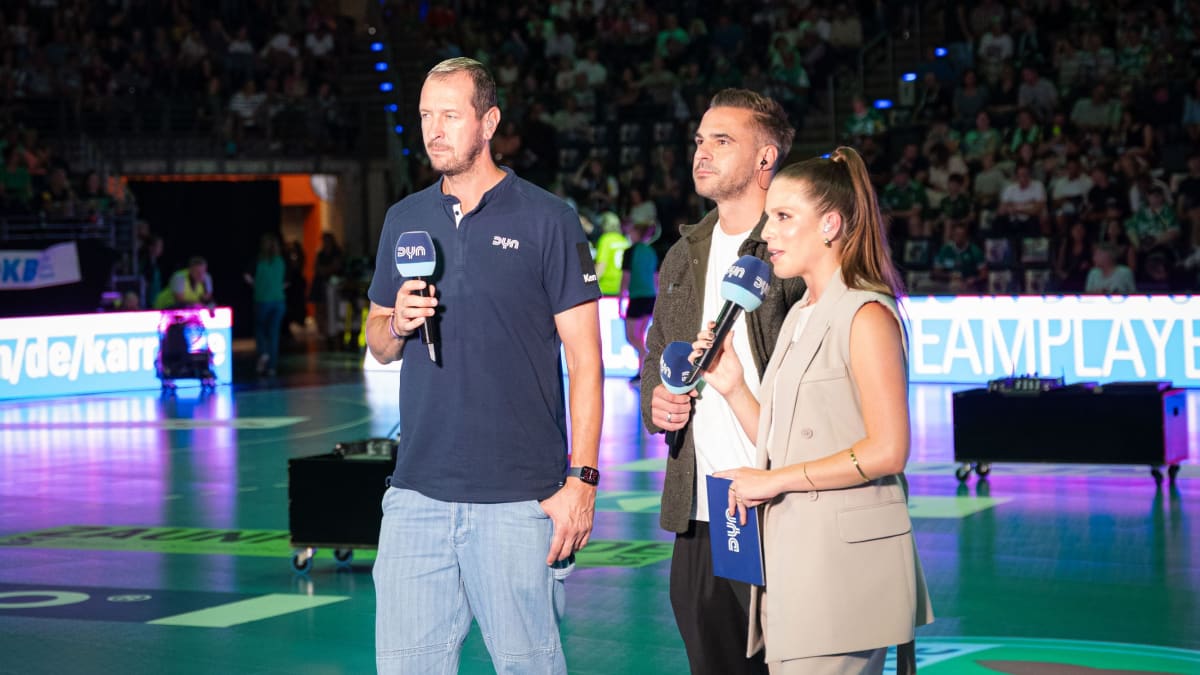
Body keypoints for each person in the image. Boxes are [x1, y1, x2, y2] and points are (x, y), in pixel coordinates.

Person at [364, 57, 603, 675]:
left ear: (489, 122)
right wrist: (397, 323)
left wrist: (582, 481)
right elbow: (377, 341)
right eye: (425, 116)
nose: (433, 130)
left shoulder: (549, 219)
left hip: (520, 501)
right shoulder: (404, 219)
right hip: (416, 495)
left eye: (450, 115)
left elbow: (586, 360)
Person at [695, 147, 933, 674]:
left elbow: (888, 450)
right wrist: (733, 387)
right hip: (795, 562)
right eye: (768, 218)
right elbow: (783, 441)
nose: (767, 234)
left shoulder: (866, 314)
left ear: (830, 224)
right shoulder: (801, 312)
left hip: (843, 571)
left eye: (783, 217)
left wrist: (773, 481)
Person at [639, 88, 805, 675]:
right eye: (700, 140)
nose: (702, 152)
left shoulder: (794, 248)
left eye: (722, 140)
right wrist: (657, 401)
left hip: (783, 503)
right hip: (704, 510)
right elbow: (656, 355)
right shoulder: (683, 254)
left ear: (765, 158)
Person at [620, 219, 660, 384]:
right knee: (640, 337)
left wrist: (620, 299)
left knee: (631, 337)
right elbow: (656, 278)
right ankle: (642, 371)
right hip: (650, 297)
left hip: (637, 297)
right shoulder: (651, 251)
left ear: (637, 233)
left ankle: (646, 358)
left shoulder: (630, 252)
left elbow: (625, 278)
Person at [244, 233, 287, 376]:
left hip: (263, 300)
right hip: (279, 301)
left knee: (260, 329)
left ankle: (263, 353)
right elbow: (286, 281)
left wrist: (257, 285)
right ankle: (271, 367)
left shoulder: (258, 260)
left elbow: (247, 276)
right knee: (273, 334)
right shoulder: (280, 261)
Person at [311, 231, 344, 349]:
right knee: (320, 308)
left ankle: (332, 332)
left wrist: (325, 270)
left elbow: (336, 266)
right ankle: (323, 332)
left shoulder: (336, 253)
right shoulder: (320, 254)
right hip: (320, 283)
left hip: (332, 284)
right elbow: (316, 267)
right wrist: (324, 270)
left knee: (332, 308)